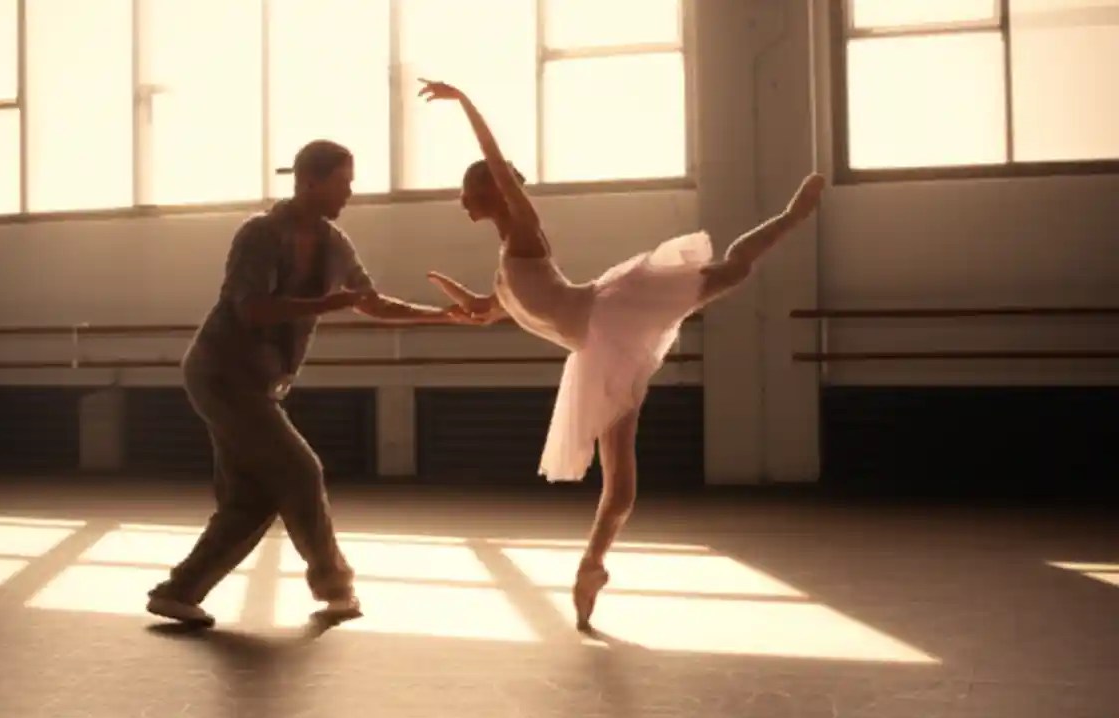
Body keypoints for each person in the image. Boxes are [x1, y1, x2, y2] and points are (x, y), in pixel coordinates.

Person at [416, 79, 825, 630]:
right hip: (595, 349)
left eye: (467, 190)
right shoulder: (507, 264)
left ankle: (794, 216)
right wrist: (466, 305)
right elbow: (496, 308)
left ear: (492, 188)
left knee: (730, 270)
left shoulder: (525, 231)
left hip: (613, 313)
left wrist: (464, 102)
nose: (459, 200)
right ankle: (592, 565)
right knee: (619, 481)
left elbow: (492, 157)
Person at [147, 139, 479, 628]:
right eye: (342, 182)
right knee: (301, 470)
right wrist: (329, 304)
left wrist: (443, 318)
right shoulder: (259, 234)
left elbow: (369, 301)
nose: (349, 193)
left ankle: (179, 591)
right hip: (220, 371)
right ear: (309, 182)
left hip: (256, 382)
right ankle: (335, 586)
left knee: (251, 498)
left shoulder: (333, 244)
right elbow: (251, 308)